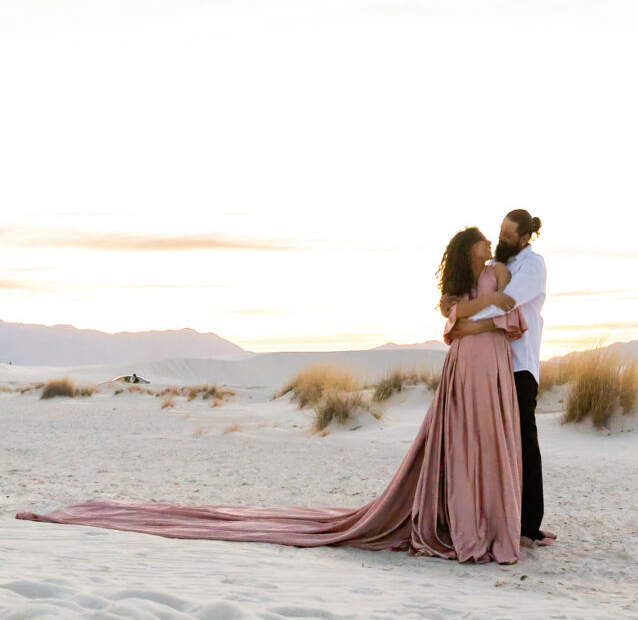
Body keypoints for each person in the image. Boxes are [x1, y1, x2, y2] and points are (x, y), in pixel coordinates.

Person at [17, 227, 526, 564]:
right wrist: (481, 316)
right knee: (461, 443)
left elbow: (507, 322)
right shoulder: (456, 289)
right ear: (467, 251)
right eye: (481, 241)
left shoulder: (498, 274)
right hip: (464, 371)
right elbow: (454, 329)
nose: (487, 244)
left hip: (491, 370)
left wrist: (480, 316)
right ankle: (464, 521)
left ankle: (491, 521)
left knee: (490, 442)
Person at [448, 208, 551, 547]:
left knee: (523, 441)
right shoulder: (500, 267)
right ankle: (502, 515)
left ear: (524, 237)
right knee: (502, 443)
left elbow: (507, 305)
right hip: (496, 365)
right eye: (500, 231)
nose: (500, 239)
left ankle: (528, 524)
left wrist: (471, 325)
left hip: (520, 364)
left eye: (507, 235)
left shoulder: (532, 266)